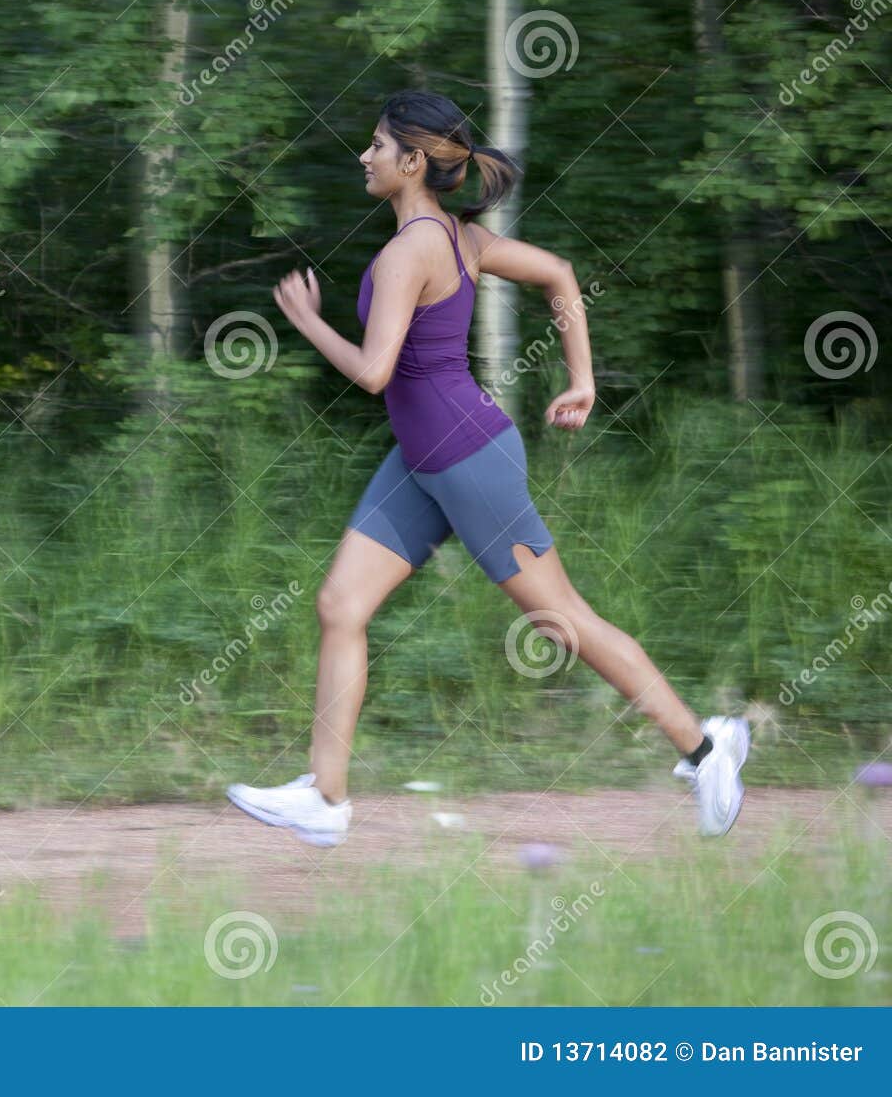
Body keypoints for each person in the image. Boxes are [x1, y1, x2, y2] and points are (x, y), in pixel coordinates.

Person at [225, 89, 748, 847]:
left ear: (412, 161)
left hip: (469, 461)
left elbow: (375, 371)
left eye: (376, 145)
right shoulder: (458, 238)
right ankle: (326, 797)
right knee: (341, 604)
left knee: (565, 619)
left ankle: (707, 748)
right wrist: (581, 377)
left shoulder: (414, 250)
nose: (363, 156)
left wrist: (307, 322)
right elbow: (560, 273)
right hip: (422, 462)